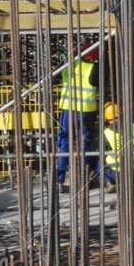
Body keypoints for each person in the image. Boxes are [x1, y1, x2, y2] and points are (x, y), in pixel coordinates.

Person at [56, 42, 101, 187]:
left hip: (68, 109)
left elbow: (56, 74)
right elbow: (99, 81)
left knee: (64, 141)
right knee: (84, 142)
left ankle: (59, 178)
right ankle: (83, 176)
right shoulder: (93, 68)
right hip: (85, 112)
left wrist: (65, 57)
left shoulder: (69, 65)